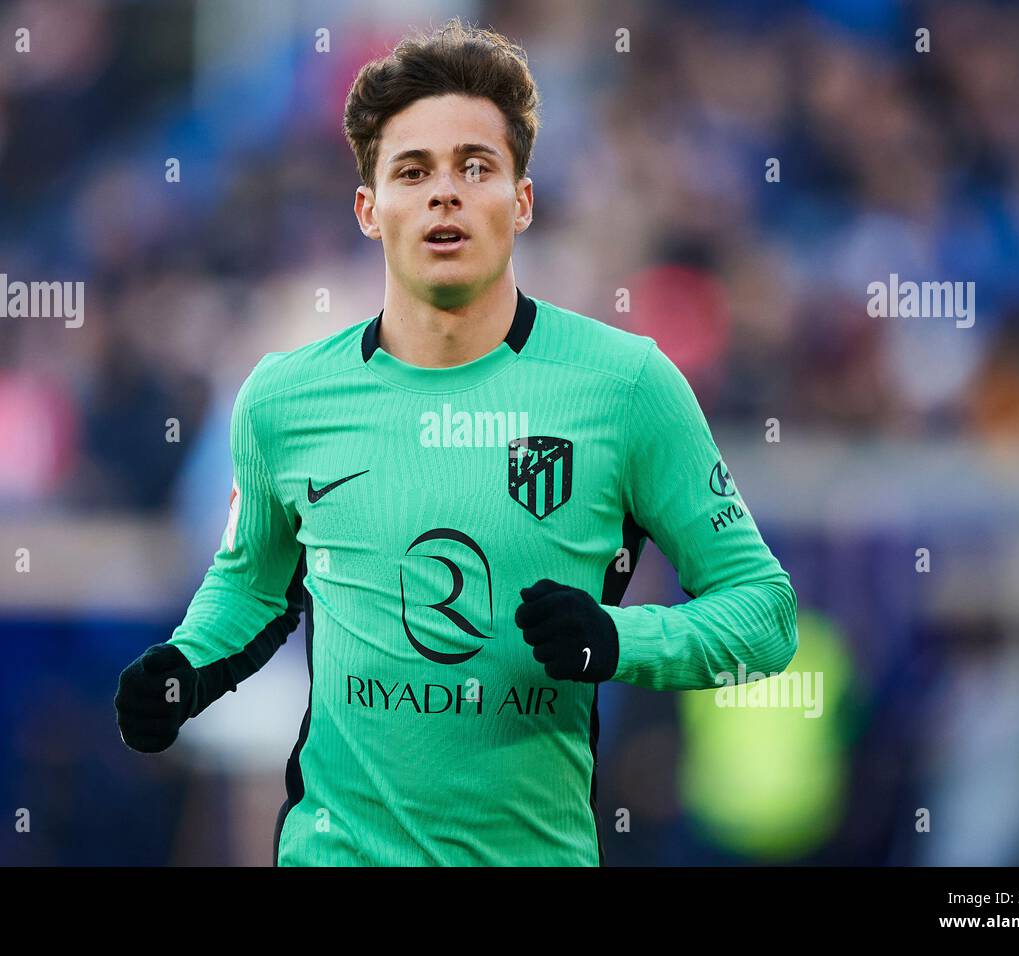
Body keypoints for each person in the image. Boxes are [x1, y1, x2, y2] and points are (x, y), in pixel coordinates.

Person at [116, 18, 797, 866]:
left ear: (522, 201)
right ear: (369, 209)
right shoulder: (284, 400)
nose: (445, 194)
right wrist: (184, 670)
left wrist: (621, 642)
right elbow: (250, 591)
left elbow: (765, 615)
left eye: (476, 167)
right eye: (413, 171)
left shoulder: (626, 387)